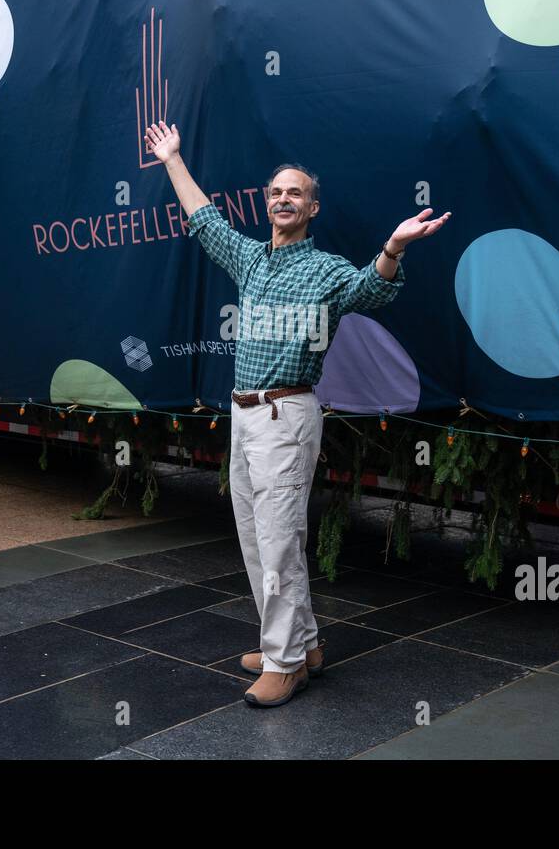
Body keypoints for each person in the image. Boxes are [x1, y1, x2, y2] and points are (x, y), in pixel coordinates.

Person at [144, 120, 451, 707]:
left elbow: (372, 289)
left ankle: (285, 664)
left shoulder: (327, 270)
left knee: (280, 540)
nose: (284, 200)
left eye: (295, 194)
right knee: (257, 537)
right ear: (268, 205)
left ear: (312, 207)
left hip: (288, 416)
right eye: (276, 193)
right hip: (244, 416)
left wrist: (393, 247)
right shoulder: (251, 261)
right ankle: (298, 642)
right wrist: (173, 160)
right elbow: (204, 218)